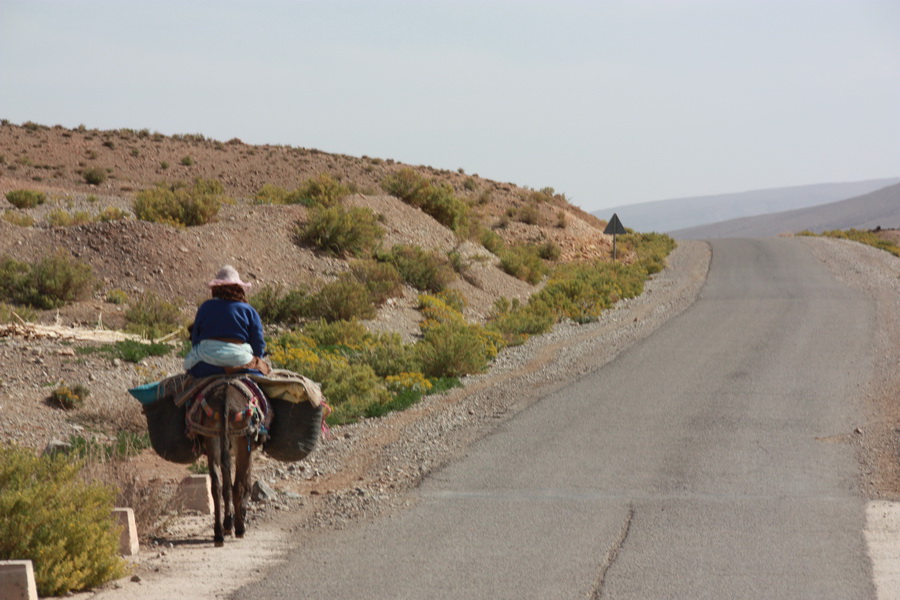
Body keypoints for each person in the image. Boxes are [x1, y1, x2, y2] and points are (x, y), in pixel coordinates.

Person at [184, 265, 271, 378]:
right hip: (240, 361)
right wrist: (257, 359)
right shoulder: (249, 310)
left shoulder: (205, 307)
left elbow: (195, 339)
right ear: (239, 289)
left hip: (206, 363)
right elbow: (258, 344)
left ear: (215, 289)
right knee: (263, 372)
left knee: (190, 371)